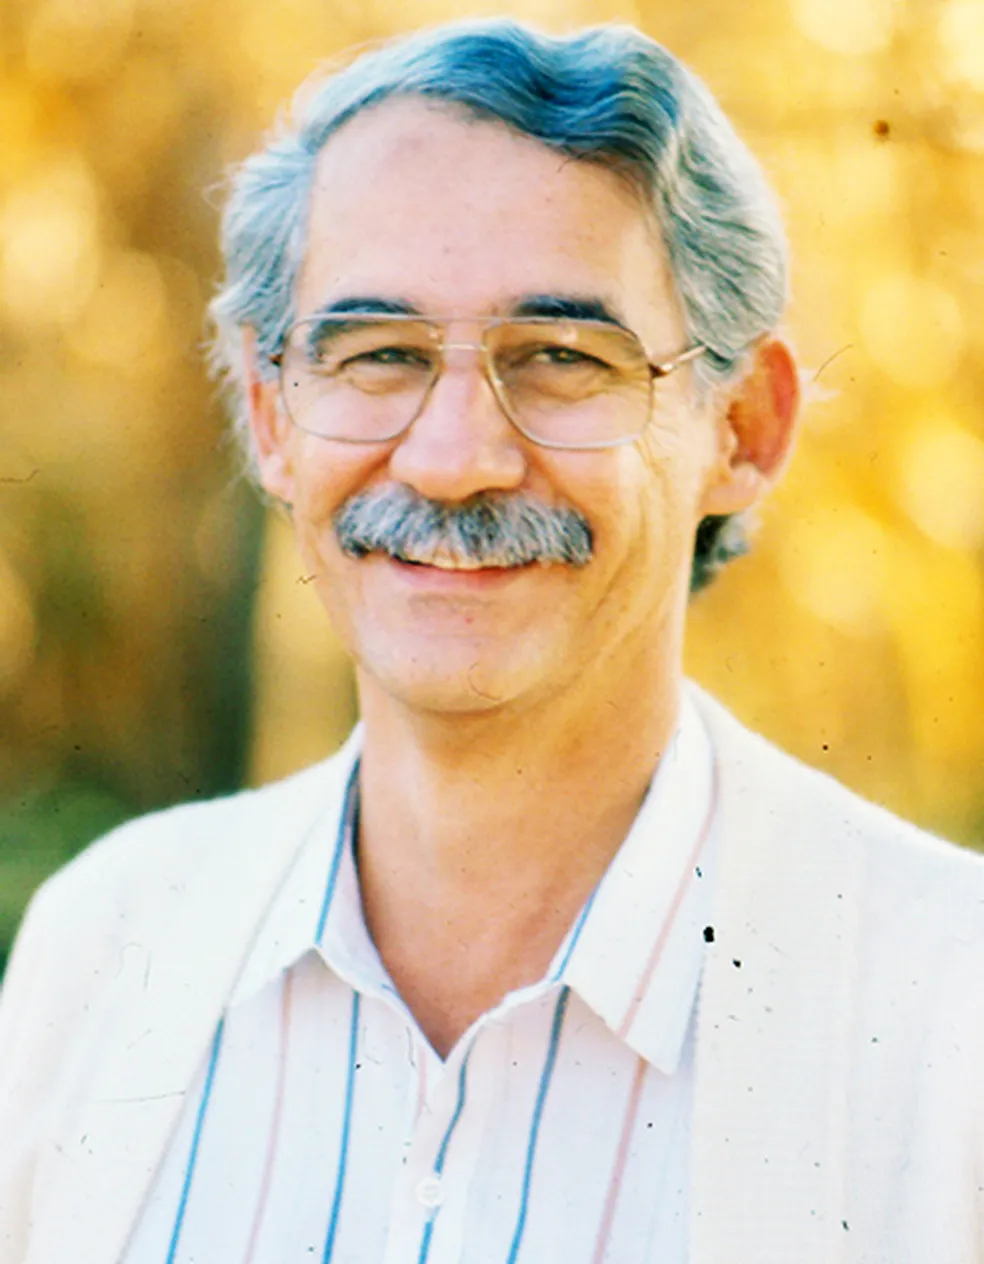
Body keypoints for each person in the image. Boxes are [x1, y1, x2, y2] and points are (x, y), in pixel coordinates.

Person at [1, 19, 982, 1264]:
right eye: (378, 353)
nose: (454, 458)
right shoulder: (103, 949)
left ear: (743, 427)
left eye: (563, 357)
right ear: (269, 412)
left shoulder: (951, 1016)